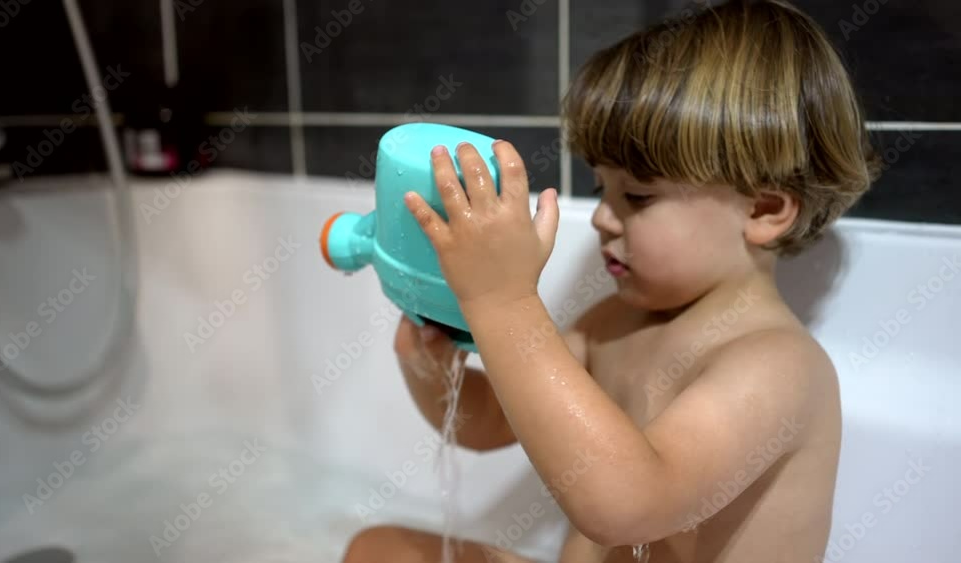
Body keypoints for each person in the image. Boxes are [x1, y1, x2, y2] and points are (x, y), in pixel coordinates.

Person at [342, 0, 880, 561]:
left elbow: (627, 508)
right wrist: (431, 362)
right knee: (379, 550)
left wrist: (504, 303)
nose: (601, 217)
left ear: (764, 210)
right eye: (603, 189)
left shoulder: (778, 367)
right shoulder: (613, 323)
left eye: (638, 196)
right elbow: (496, 420)